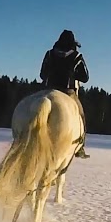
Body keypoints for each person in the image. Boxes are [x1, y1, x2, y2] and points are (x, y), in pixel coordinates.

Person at [40, 29, 90, 158]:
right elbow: (85, 77)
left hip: (48, 89)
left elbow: (42, 74)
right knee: (81, 116)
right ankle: (80, 147)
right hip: (68, 92)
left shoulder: (49, 54)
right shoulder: (77, 56)